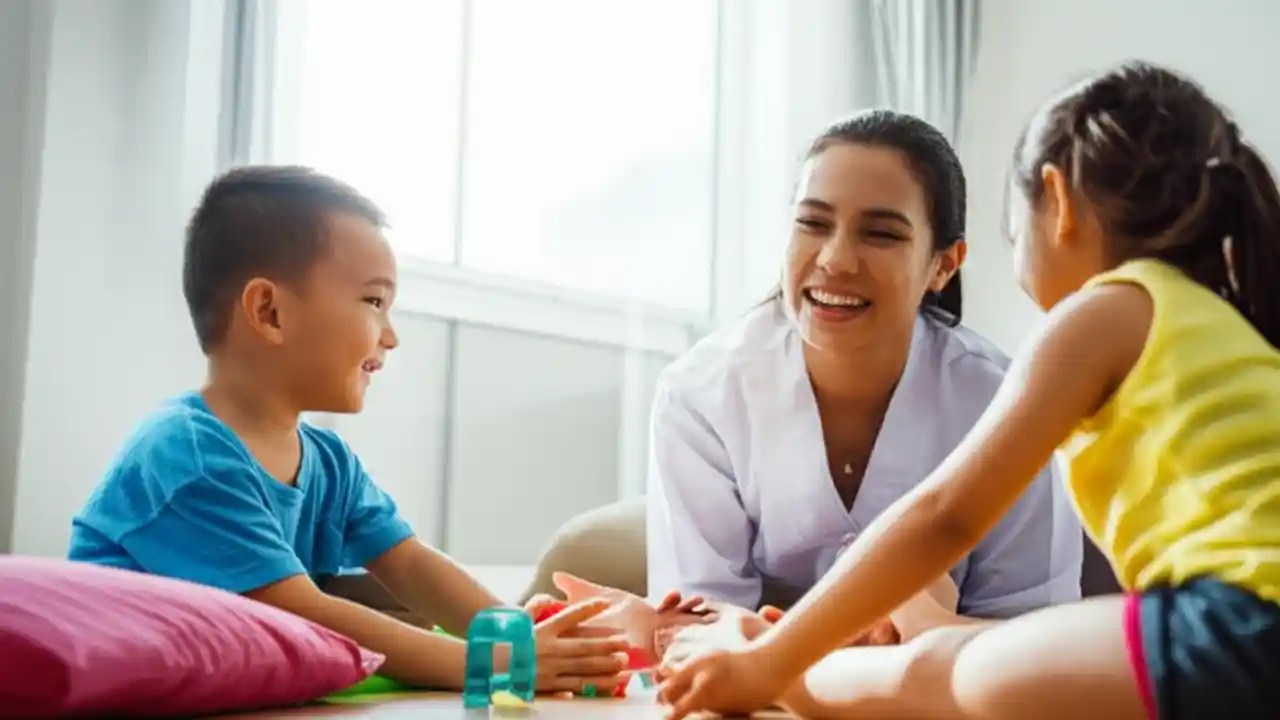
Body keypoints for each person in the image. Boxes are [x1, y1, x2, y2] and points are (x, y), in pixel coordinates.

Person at [658, 61, 1280, 720]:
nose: (837, 257)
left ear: (1057, 201)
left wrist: (771, 660)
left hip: (1232, 628)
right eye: (813, 222)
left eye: (1016, 229)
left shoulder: (1101, 313)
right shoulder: (1225, 325)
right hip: (1239, 633)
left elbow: (943, 517)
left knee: (937, 673)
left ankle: (783, 677)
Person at [66, 166, 680, 693]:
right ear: (269, 312)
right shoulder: (187, 457)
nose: (390, 335)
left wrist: (516, 633)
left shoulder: (327, 459)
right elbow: (301, 614)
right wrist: (495, 662)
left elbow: (410, 565)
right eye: (373, 302)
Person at [646, 109, 1082, 632]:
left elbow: (1029, 632)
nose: (835, 259)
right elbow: (697, 626)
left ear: (944, 264)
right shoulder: (699, 396)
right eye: (812, 223)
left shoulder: (1007, 401)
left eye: (880, 234)